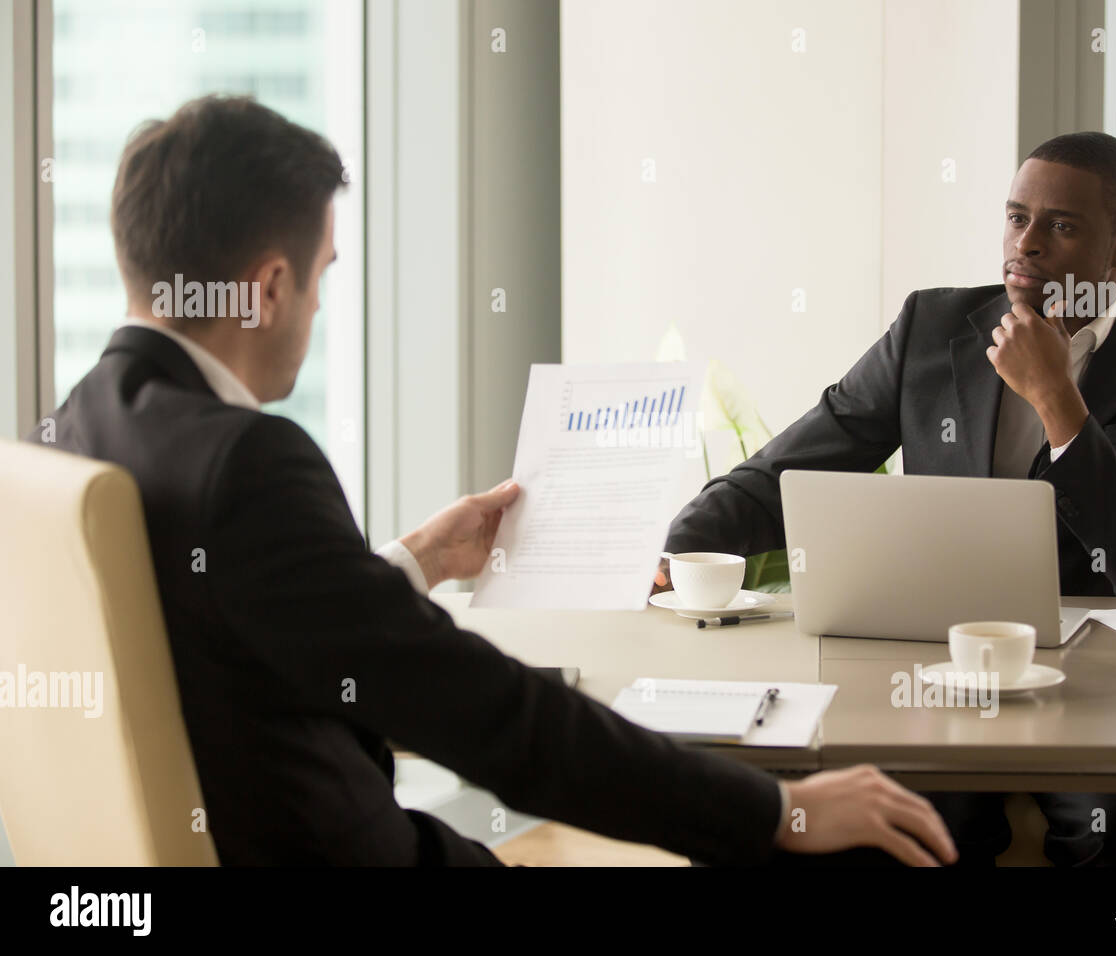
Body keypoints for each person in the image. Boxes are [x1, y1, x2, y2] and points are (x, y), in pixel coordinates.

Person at [27, 94, 956, 868]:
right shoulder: (248, 462)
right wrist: (776, 813)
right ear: (268, 287)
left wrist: (416, 560)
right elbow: (488, 717)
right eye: (319, 279)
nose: (314, 310)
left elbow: (258, 631)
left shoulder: (78, 427)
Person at [658, 132, 1116, 866]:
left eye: (1060, 226)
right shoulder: (931, 329)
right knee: (890, 809)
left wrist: (1060, 401)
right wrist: (677, 545)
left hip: (1091, 681)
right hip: (932, 662)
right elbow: (792, 463)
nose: (1025, 244)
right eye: (1016, 217)